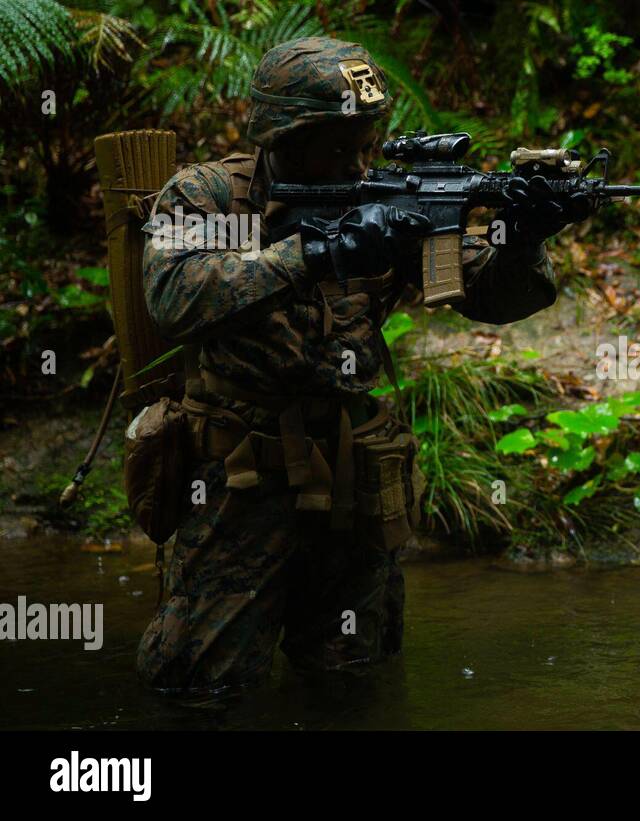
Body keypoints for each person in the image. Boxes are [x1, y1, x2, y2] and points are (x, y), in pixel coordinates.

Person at [136, 36, 584, 694]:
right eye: (337, 141)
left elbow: (486, 294)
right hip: (240, 482)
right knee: (205, 683)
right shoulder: (208, 197)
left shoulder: (384, 193)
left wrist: (525, 236)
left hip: (355, 477)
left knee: (352, 676)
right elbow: (174, 296)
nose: (357, 156)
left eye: (365, 137)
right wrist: (319, 252)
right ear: (283, 135)